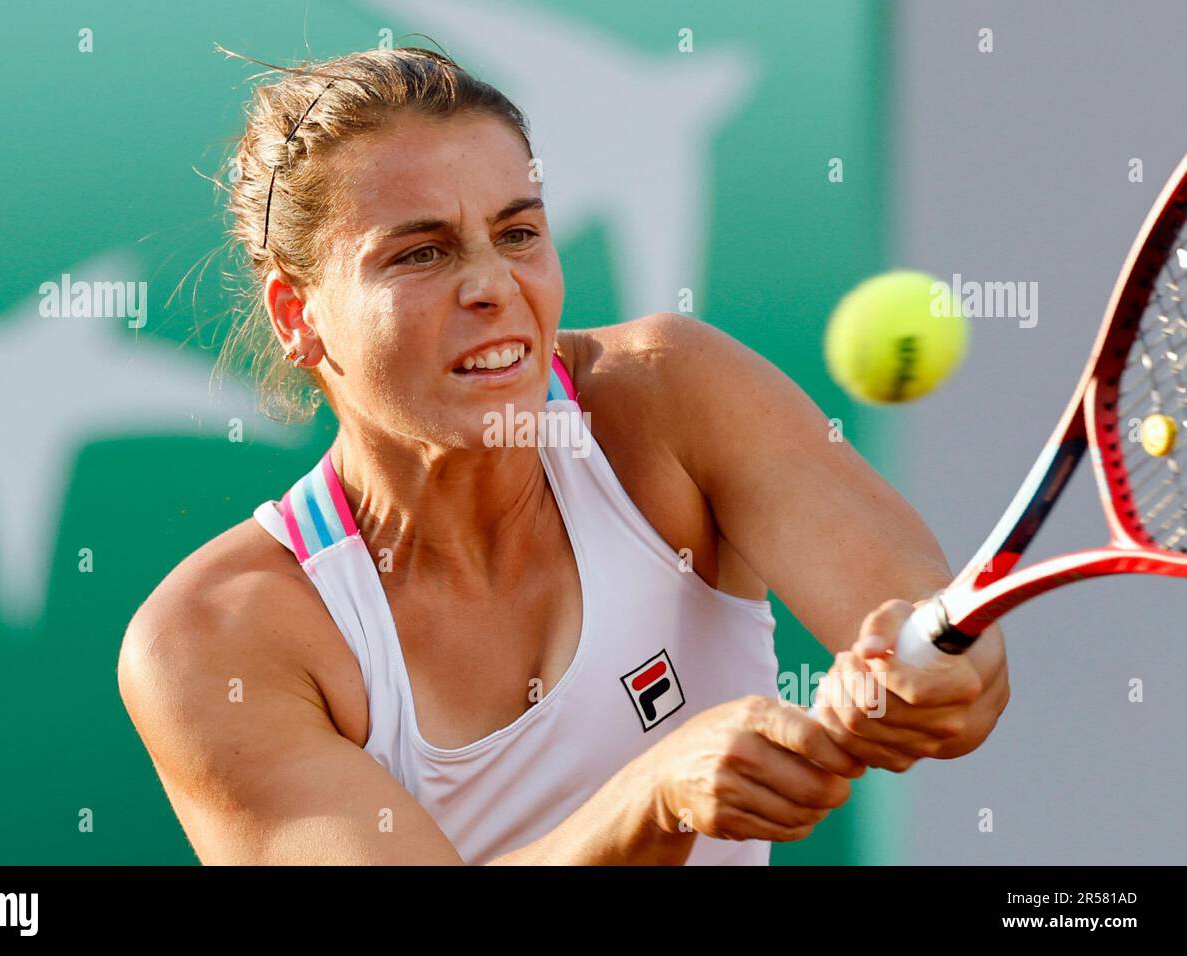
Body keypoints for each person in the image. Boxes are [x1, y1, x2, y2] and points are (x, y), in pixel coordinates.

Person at [118, 47, 1009, 865]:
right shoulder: (213, 640)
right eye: (420, 253)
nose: (493, 288)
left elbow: (961, 666)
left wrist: (923, 678)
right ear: (296, 316)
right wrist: (654, 799)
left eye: (518, 233)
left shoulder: (671, 395)